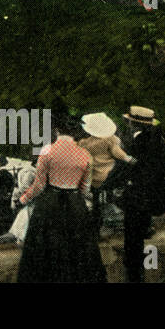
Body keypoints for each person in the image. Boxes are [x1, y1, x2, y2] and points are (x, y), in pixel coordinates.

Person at [16, 115, 106, 283]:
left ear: (56, 130)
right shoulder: (85, 155)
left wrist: (22, 199)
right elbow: (85, 188)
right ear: (74, 132)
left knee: (45, 254)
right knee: (78, 252)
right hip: (75, 204)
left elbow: (39, 185)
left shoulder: (47, 151)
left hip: (49, 204)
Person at [120, 106, 165, 283]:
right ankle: (146, 274)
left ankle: (134, 277)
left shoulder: (140, 141)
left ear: (135, 123)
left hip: (137, 196)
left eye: (130, 122)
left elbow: (132, 168)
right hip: (151, 196)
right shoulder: (159, 140)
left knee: (132, 239)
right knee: (144, 237)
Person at [78, 112, 134, 228]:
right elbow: (118, 154)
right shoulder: (110, 140)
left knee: (96, 200)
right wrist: (129, 159)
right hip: (107, 174)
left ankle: (96, 221)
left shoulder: (84, 143)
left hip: (91, 176)